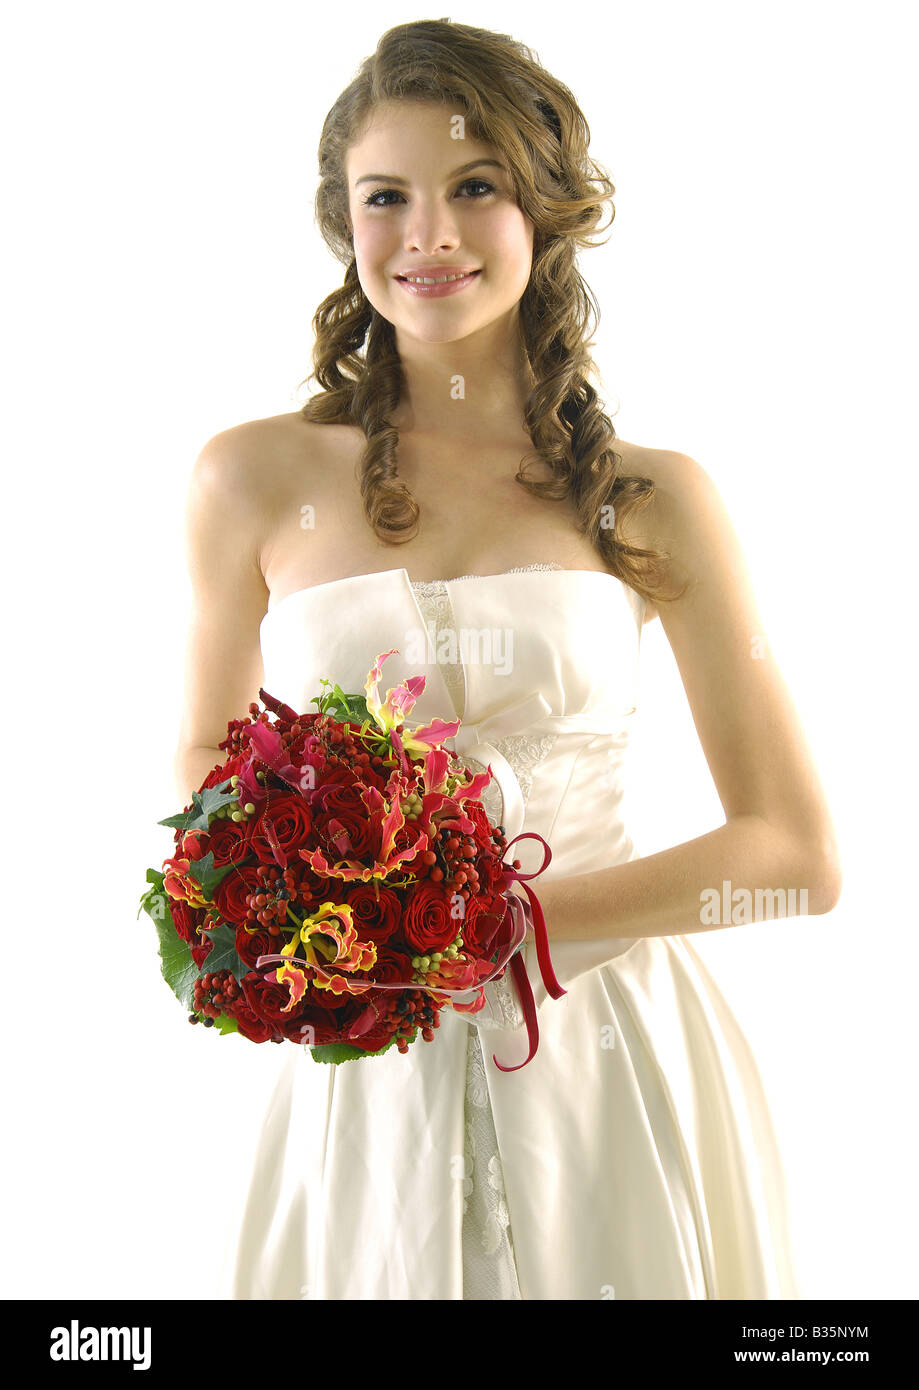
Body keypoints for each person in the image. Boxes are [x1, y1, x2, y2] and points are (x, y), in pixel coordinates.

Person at [174, 19, 840, 1299]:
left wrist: (501, 928)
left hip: (611, 1059)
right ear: (341, 223)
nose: (429, 235)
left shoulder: (653, 498)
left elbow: (796, 857)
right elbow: (203, 790)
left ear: (544, 210)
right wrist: (317, 933)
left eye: (474, 187)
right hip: (361, 1077)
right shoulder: (248, 478)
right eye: (388, 198)